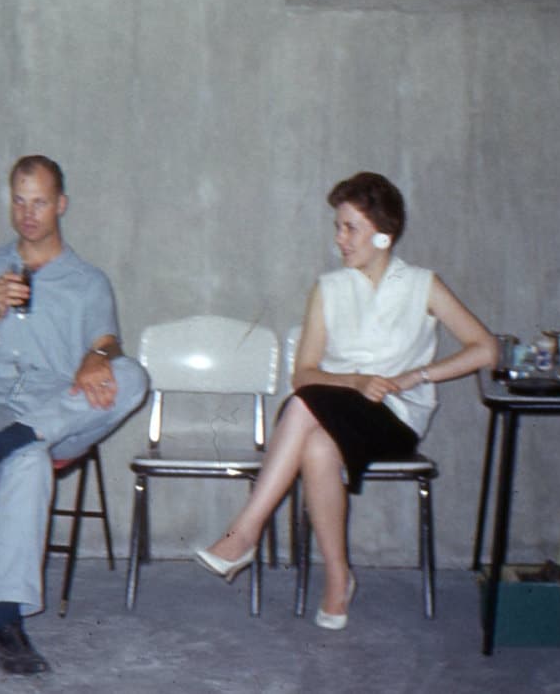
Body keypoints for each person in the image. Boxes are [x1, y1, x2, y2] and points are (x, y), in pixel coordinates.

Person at [195, 171, 497, 629]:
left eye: (349, 228)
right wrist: (355, 381)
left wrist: (416, 375)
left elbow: (485, 348)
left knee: (303, 408)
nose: (339, 238)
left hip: (396, 418)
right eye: (338, 226)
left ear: (382, 235)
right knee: (315, 440)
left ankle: (244, 532)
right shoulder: (328, 290)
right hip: (337, 404)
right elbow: (305, 374)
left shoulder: (422, 285)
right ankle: (338, 578)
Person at [0, 155, 148, 676]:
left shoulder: (88, 282)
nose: (28, 213)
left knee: (135, 376)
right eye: (19, 200)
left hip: (57, 413)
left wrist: (97, 357)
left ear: (61, 205)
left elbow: (106, 346)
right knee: (28, 459)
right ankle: (4, 622)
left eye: (39, 201)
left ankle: (2, 448)